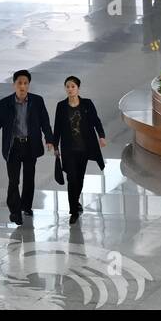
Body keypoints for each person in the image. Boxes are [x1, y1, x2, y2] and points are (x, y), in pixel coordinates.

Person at [0, 70, 54, 226]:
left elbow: (45, 122)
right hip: (13, 147)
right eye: (19, 83)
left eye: (25, 83)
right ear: (14, 84)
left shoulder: (37, 101)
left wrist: (49, 139)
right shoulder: (4, 104)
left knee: (29, 179)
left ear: (28, 85)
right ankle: (15, 212)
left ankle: (26, 206)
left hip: (30, 145)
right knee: (13, 181)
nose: (22, 86)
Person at [51, 76, 107, 224]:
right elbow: (57, 127)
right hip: (69, 149)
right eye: (67, 86)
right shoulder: (61, 106)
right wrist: (55, 145)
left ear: (78, 88)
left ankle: (75, 201)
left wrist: (101, 136)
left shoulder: (87, 104)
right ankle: (73, 211)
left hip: (84, 148)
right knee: (71, 179)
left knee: (79, 179)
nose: (70, 89)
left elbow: (96, 121)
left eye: (73, 86)